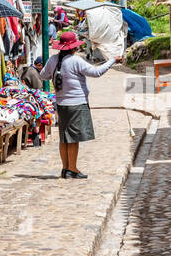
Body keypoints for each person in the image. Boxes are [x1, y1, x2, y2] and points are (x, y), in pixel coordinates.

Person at [38, 31, 119, 179]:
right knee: (73, 138)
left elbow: (43, 75)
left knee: (64, 138)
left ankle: (65, 168)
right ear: (73, 48)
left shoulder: (53, 60)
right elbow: (96, 72)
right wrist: (112, 60)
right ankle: (72, 169)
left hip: (61, 104)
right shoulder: (76, 61)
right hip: (77, 104)